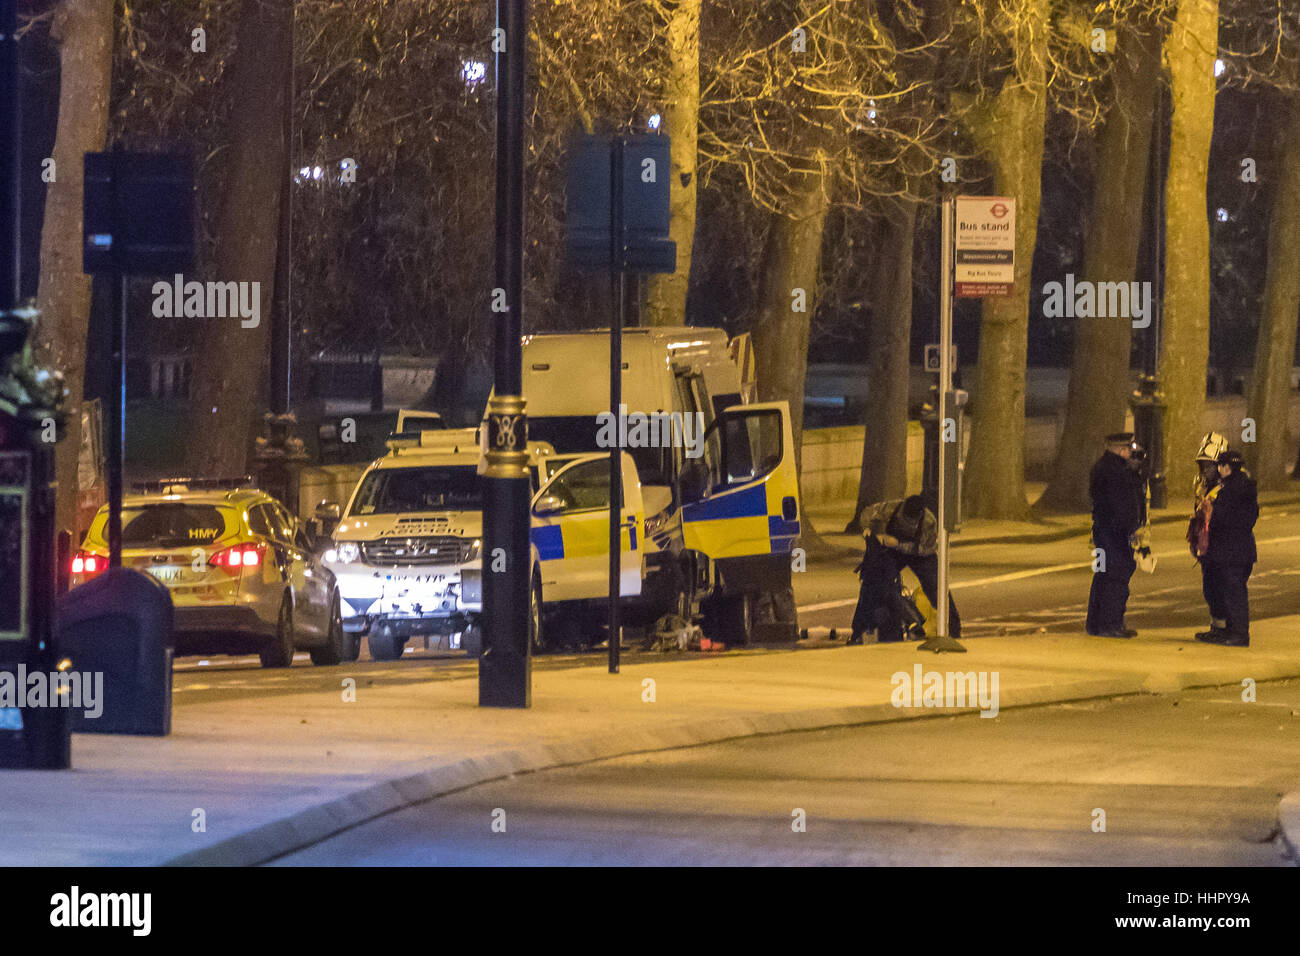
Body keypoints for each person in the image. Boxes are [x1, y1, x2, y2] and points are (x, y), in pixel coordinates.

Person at [849, 495, 960, 644]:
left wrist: (897, 544)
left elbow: (925, 548)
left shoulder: (928, 521)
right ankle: (860, 630)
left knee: (936, 587)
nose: (906, 523)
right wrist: (868, 531)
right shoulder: (890, 508)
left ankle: (953, 629)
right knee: (874, 582)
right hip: (892, 551)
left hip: (919, 554)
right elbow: (866, 514)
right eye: (903, 519)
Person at [1196, 450, 1257, 647]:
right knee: (1226, 591)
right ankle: (1227, 631)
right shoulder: (1240, 487)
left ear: (1225, 467)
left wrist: (1210, 512)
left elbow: (1225, 519)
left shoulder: (1231, 490)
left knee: (1234, 593)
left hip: (1232, 553)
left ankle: (1238, 634)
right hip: (1234, 551)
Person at [1086, 432, 1145, 637]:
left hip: (1103, 531)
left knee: (1102, 575)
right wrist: (1132, 530)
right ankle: (1111, 624)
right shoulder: (1117, 472)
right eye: (1129, 449)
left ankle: (1095, 623)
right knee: (1116, 575)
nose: (1131, 453)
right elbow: (1123, 507)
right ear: (1121, 450)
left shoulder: (1103, 467)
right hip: (1114, 534)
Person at [1188, 432, 1229, 639]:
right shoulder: (1205, 486)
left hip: (1222, 548)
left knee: (1222, 588)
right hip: (1209, 548)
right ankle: (1216, 627)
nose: (1206, 470)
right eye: (1203, 465)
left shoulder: (1229, 488)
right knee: (1210, 587)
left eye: (1209, 465)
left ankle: (1225, 629)